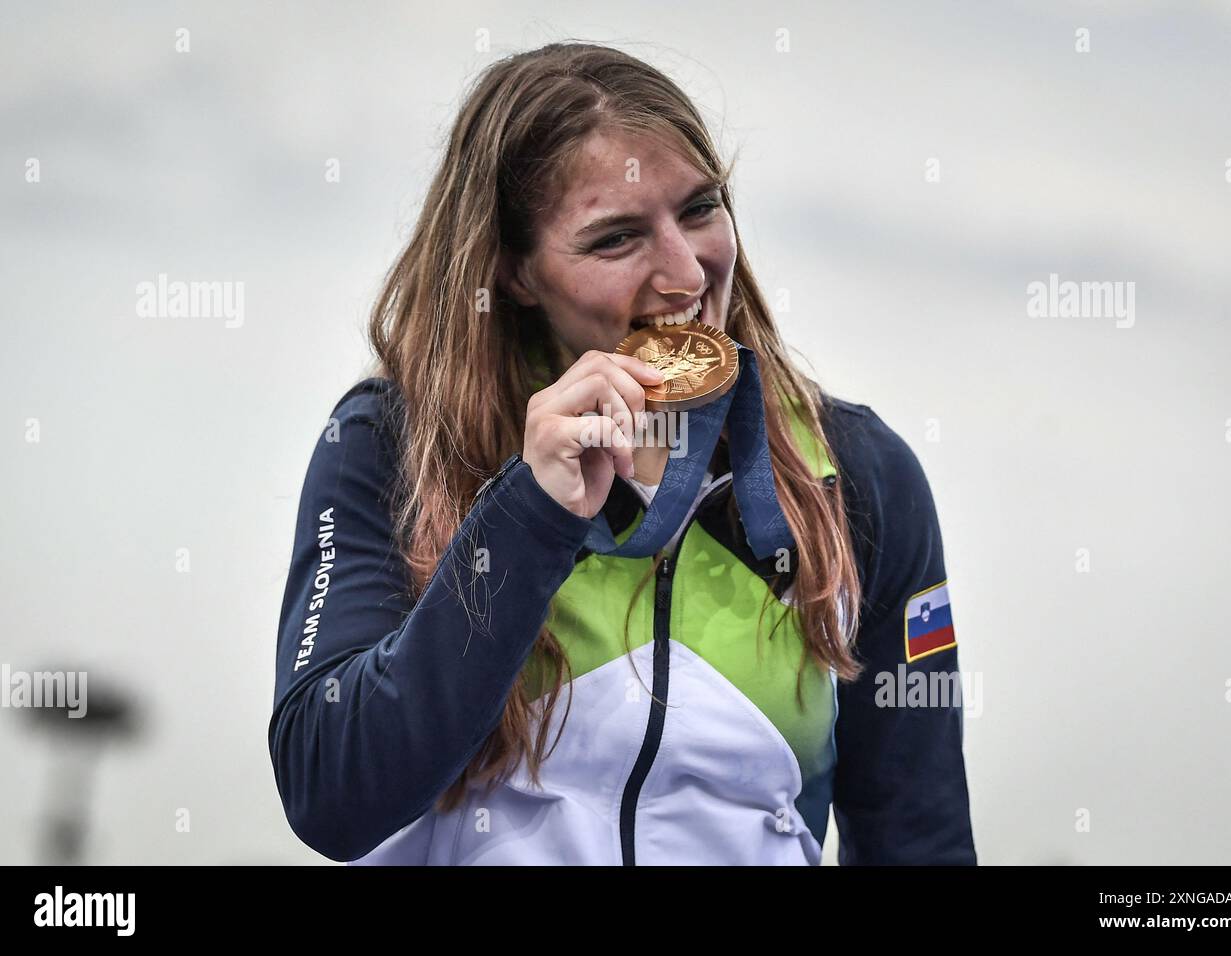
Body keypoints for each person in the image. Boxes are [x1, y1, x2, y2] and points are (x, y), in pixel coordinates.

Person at [268, 42, 977, 866]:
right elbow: (330, 795)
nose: (685, 273)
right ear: (515, 271)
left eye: (703, 208)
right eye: (616, 240)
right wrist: (529, 515)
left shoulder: (855, 472)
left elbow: (920, 843)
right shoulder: (395, 441)